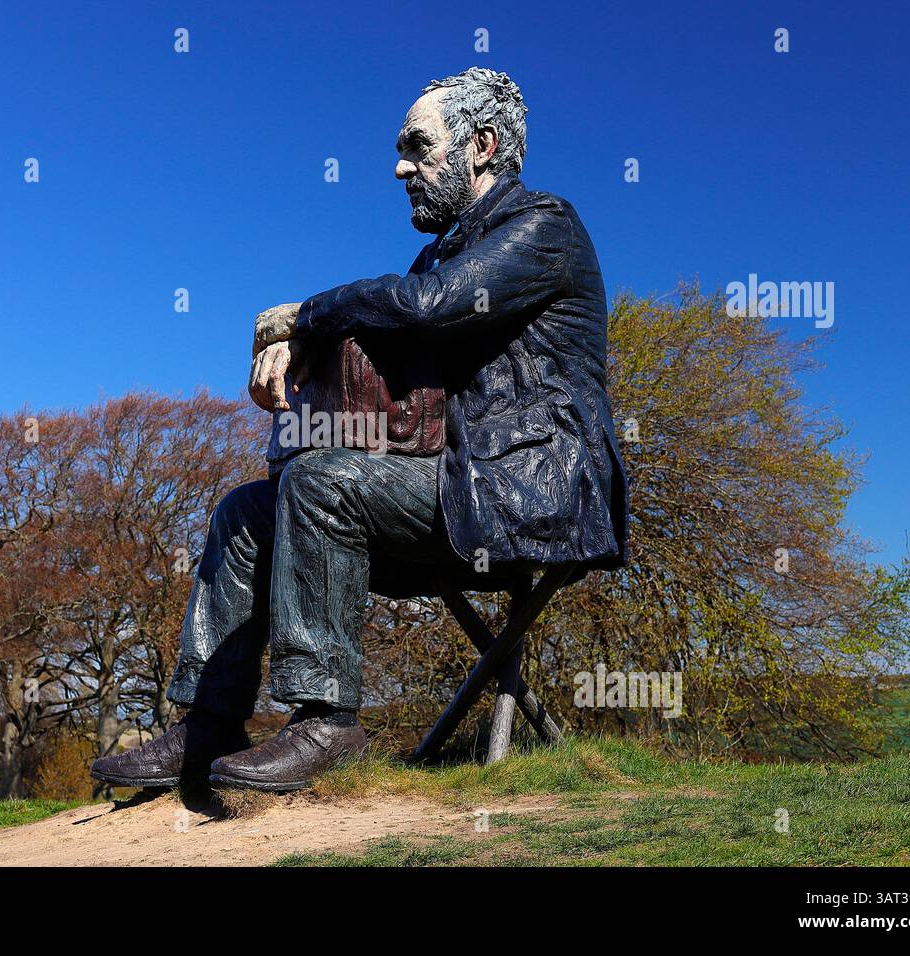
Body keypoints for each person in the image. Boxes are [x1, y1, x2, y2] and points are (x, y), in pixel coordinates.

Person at [91, 67, 628, 792]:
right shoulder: (433, 259)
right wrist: (305, 348)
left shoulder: (544, 227)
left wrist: (305, 314)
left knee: (320, 485)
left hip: (532, 486)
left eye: (417, 146)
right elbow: (398, 320)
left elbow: (431, 306)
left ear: (482, 145)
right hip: (451, 486)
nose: (399, 167)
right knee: (244, 513)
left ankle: (326, 722)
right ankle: (208, 723)